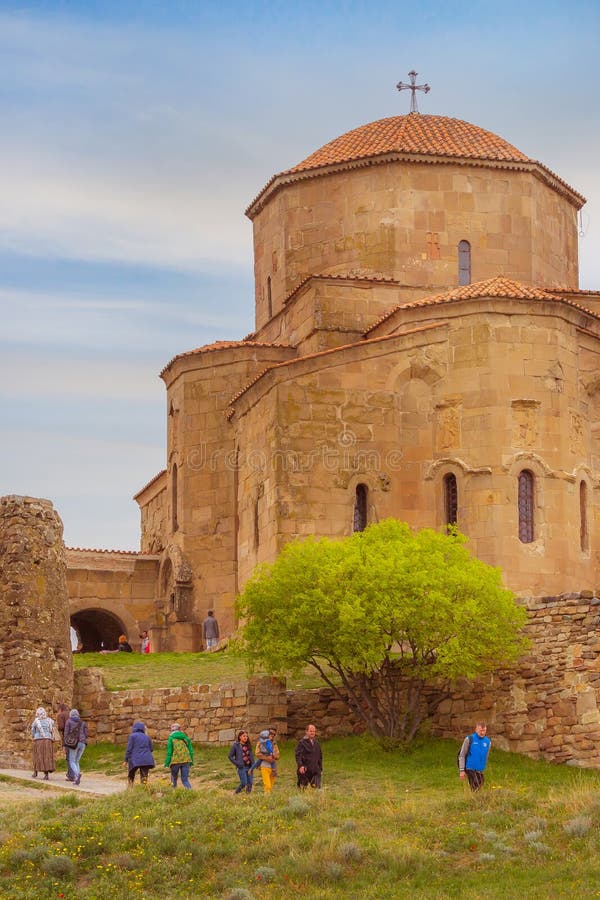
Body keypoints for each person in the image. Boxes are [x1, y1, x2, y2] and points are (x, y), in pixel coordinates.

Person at [458, 721, 491, 792]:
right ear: (476, 730)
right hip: (470, 767)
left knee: (481, 783)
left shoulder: (488, 742)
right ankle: (476, 801)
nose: (482, 733)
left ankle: (474, 800)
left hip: (480, 769)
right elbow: (462, 755)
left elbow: (486, 756)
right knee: (475, 786)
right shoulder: (469, 739)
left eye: (484, 731)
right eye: (480, 731)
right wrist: (462, 770)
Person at [123, 721, 155, 785]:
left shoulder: (132, 736)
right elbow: (151, 749)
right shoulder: (147, 737)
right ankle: (143, 789)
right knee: (144, 776)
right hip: (146, 759)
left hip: (135, 759)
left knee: (131, 773)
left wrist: (125, 760)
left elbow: (129, 749)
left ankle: (130, 787)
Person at [164, 722, 194, 789]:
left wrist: (167, 763)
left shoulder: (171, 738)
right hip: (186, 760)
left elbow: (169, 752)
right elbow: (191, 751)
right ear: (180, 729)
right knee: (185, 780)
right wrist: (191, 761)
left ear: (172, 730)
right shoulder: (186, 738)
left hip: (175, 761)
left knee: (174, 778)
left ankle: (173, 793)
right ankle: (190, 792)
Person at [63, 709, 88, 787]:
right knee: (77, 761)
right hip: (83, 743)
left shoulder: (69, 721)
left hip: (74, 744)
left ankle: (77, 775)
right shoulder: (83, 723)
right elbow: (86, 734)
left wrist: (64, 745)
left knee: (71, 761)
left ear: (71, 715)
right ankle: (77, 780)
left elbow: (66, 734)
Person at [30, 707, 55, 780]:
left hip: (38, 740)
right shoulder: (50, 721)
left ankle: (35, 772)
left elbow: (33, 731)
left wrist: (34, 736)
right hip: (48, 740)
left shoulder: (36, 721)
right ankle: (46, 774)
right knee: (46, 756)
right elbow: (52, 730)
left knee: (37, 756)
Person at [295, 723, 323, 789]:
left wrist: (320, 768)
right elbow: (298, 755)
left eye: (314, 731)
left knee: (316, 790)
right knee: (304, 790)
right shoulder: (301, 743)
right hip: (305, 770)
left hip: (315, 770)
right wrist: (300, 766)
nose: (312, 733)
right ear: (306, 732)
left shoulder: (317, 743)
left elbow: (320, 757)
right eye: (311, 731)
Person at [228, 730, 255, 795]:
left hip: (249, 767)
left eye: (246, 736)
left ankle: (247, 795)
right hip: (241, 767)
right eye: (244, 736)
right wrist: (237, 763)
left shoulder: (248, 745)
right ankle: (235, 793)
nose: (245, 737)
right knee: (244, 783)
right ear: (240, 737)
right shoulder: (236, 746)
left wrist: (253, 765)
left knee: (250, 783)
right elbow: (230, 756)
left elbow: (251, 756)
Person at [55, 702, 75, 782]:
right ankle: (74, 773)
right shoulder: (71, 714)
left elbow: (61, 727)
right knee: (74, 757)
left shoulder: (61, 715)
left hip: (67, 738)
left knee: (69, 757)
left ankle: (71, 775)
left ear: (60, 709)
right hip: (76, 737)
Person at [254, 729, 277, 794]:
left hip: (273, 767)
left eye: (274, 734)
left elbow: (277, 755)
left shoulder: (274, 743)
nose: (272, 735)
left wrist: (273, 756)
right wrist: (267, 758)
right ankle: (266, 797)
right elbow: (257, 753)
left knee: (271, 785)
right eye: (271, 733)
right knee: (267, 785)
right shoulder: (261, 743)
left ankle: (268, 798)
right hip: (265, 765)